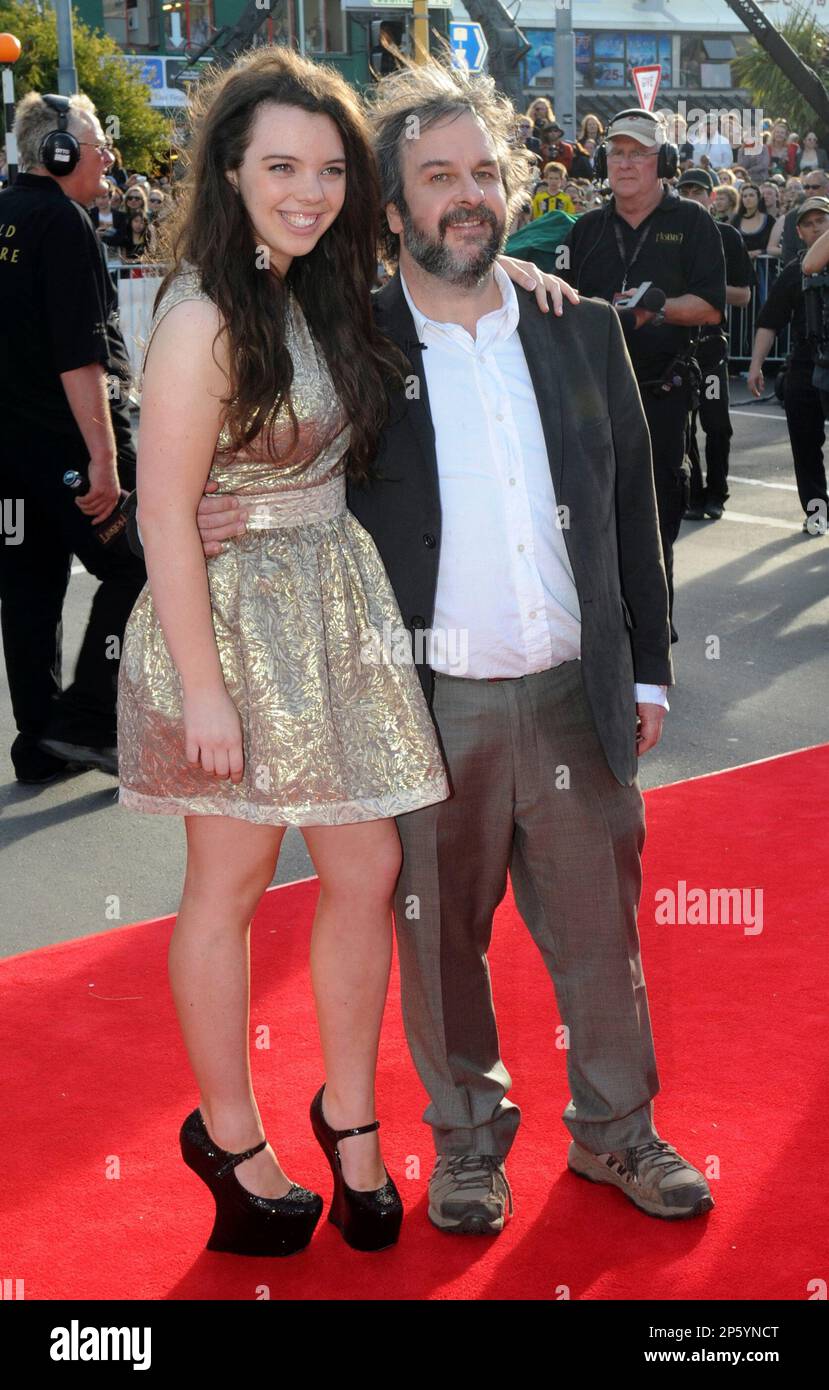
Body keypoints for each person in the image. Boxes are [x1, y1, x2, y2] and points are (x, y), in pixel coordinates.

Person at [190, 61, 715, 1235]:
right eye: (438, 178)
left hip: (574, 688)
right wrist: (216, 510)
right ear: (393, 209)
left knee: (600, 940)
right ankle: (468, 1148)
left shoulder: (573, 324)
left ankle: (618, 1137)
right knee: (436, 949)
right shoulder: (350, 343)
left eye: (484, 172)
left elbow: (636, 504)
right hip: (427, 700)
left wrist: (645, 666)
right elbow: (260, 456)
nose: (467, 195)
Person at [115, 45, 560, 1257]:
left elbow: (443, 270)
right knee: (231, 886)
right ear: (229, 170)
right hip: (232, 625)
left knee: (365, 870)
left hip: (336, 609)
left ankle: (349, 1116)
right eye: (279, 167)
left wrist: (512, 265)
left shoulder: (320, 287)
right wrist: (201, 690)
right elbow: (161, 509)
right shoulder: (202, 313)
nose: (306, 190)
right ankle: (231, 1135)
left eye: (325, 168)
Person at [0, 91, 147, 784]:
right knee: (138, 566)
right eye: (98, 147)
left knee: (27, 587)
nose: (109, 158)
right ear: (59, 154)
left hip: (8, 460)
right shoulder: (61, 222)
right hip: (66, 452)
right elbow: (78, 356)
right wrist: (104, 459)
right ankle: (87, 722)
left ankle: (39, 743)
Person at [561, 108, 726, 638]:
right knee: (593, 512)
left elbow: (711, 307)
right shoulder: (585, 229)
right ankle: (607, 628)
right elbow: (560, 306)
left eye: (639, 153)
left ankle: (654, 631)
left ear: (663, 162)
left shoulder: (694, 223)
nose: (626, 164)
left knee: (656, 509)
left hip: (661, 388)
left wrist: (658, 306)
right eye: (617, 153)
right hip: (593, 392)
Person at [748, 196, 829, 535]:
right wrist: (755, 367)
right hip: (805, 366)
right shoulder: (795, 271)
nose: (816, 227)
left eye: (821, 221)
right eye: (809, 223)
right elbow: (769, 323)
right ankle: (817, 514)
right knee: (806, 446)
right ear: (799, 231)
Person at [676, 169, 753, 521]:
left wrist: (704, 291)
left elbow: (744, 296)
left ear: (712, 197)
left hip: (709, 345)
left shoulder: (727, 236)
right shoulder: (666, 236)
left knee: (716, 423)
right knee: (681, 425)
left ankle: (717, 493)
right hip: (674, 345)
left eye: (698, 191)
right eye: (685, 190)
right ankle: (693, 493)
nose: (692, 196)